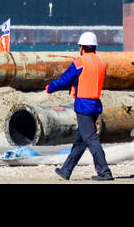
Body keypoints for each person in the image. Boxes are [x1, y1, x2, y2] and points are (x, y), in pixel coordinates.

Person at [46, 30, 114, 181]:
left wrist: (50, 87)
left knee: (90, 139)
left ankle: (104, 172)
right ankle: (66, 170)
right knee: (81, 140)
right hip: (95, 104)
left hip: (83, 105)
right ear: (95, 47)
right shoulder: (101, 62)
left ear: (82, 47)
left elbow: (65, 80)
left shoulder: (80, 61)